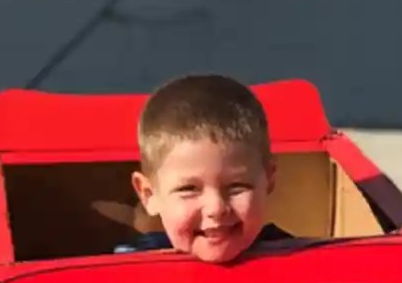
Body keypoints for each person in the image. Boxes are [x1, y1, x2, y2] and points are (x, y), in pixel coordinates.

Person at [117, 74, 293, 263]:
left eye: (236, 186)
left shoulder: (298, 259)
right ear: (149, 195)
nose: (216, 208)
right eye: (189, 189)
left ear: (269, 179)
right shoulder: (126, 267)